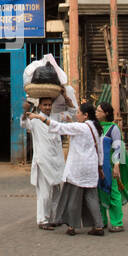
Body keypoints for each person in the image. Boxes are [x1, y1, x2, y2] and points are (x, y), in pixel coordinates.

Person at [26, 101, 105, 236]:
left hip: (78, 169)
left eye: (78, 113)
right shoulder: (96, 128)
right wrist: (100, 167)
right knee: (92, 198)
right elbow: (100, 151)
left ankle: (72, 226)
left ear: (85, 115)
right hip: (91, 169)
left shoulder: (81, 127)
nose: (77, 115)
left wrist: (40, 118)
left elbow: (59, 127)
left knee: (72, 198)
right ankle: (99, 226)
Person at [24, 96, 65, 228]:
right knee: (44, 193)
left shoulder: (55, 119)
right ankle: (43, 220)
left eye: (49, 105)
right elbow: (24, 123)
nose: (47, 107)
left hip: (56, 162)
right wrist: (25, 112)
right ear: (40, 106)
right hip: (42, 162)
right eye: (45, 105)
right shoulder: (35, 120)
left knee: (57, 192)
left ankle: (55, 218)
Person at [95, 101, 128, 232]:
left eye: (99, 111)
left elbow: (118, 147)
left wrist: (116, 166)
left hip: (110, 167)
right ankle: (102, 221)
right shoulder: (96, 127)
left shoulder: (113, 128)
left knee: (113, 193)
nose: (96, 112)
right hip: (98, 167)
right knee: (99, 194)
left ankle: (117, 222)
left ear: (106, 113)